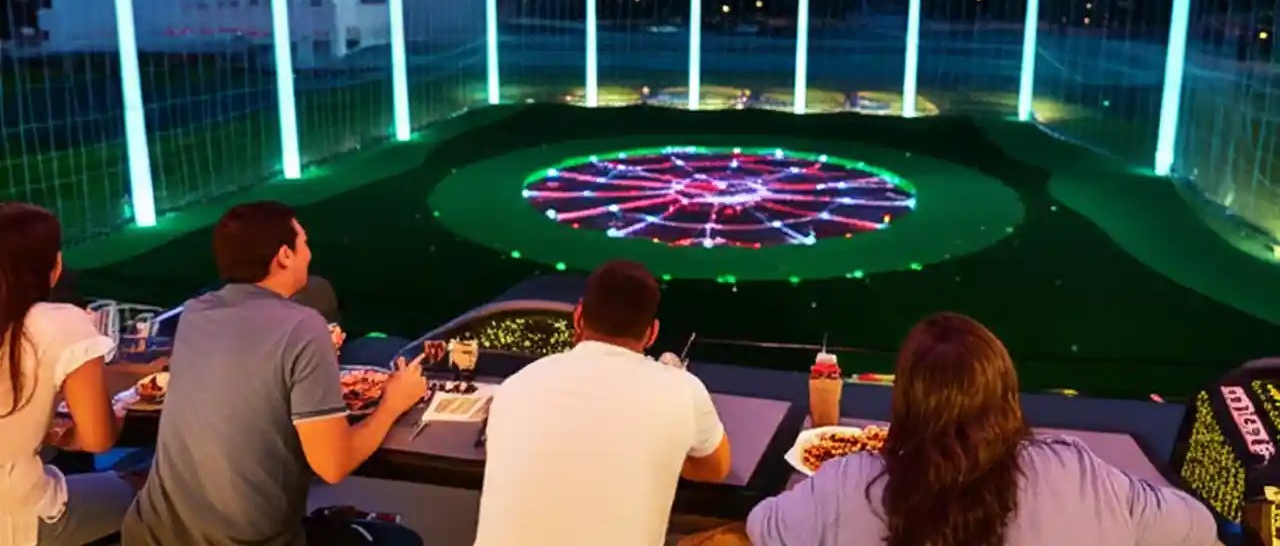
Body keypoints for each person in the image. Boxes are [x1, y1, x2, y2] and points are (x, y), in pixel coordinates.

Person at [747, 312, 1220, 546]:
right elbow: (1198, 525)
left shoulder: (845, 484)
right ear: (1006, 396)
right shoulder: (1078, 472)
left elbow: (761, 525)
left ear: (906, 403)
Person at [121, 202, 425, 546]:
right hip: (245, 541)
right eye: (304, 243)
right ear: (284, 256)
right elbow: (333, 465)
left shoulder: (194, 314)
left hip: (151, 534)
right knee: (401, 542)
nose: (309, 255)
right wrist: (392, 404)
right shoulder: (304, 326)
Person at [474, 259, 732, 546]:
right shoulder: (683, 390)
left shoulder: (516, 386)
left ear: (578, 317)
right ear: (652, 332)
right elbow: (716, 468)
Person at [0, 203, 136, 546]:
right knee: (148, 488)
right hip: (17, 518)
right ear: (56, 266)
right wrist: (115, 416)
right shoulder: (57, 322)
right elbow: (97, 439)